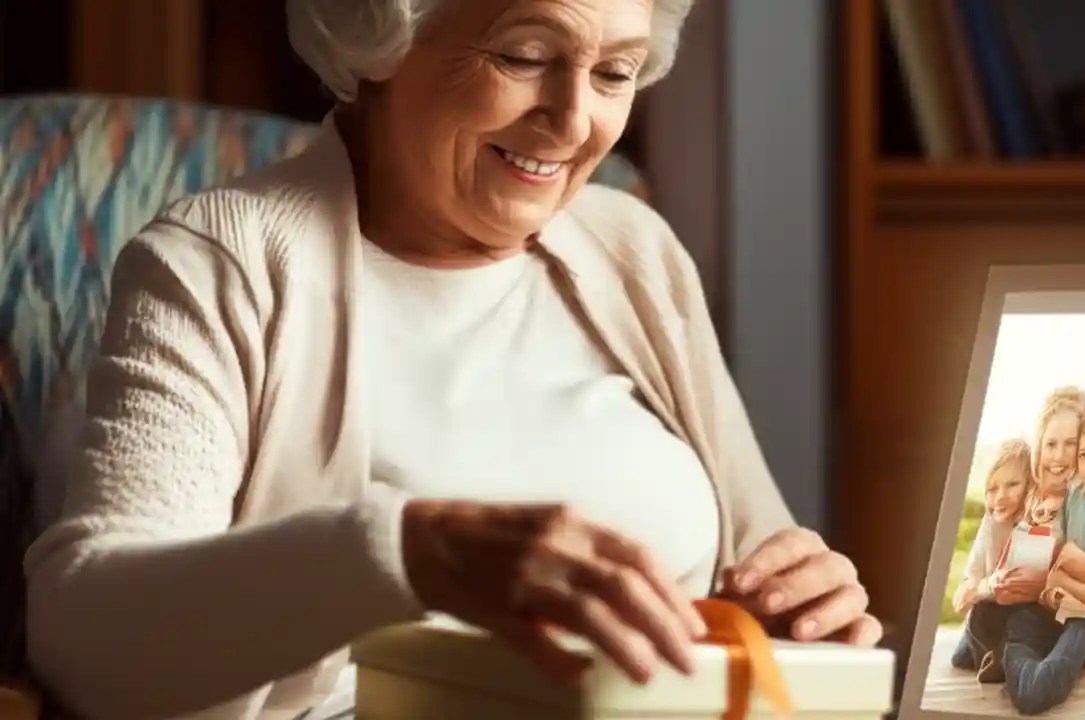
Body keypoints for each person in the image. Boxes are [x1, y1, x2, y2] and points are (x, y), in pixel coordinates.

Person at [21, 1, 881, 717]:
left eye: (616, 72)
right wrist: (408, 552)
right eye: (524, 55)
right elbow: (85, 634)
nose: (575, 121)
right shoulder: (220, 264)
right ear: (380, 37)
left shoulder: (634, 249)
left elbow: (763, 562)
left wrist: (806, 601)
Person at [1000, 393, 1085, 714]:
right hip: (1060, 611)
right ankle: (1023, 676)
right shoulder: (1074, 496)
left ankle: (1037, 685)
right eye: (1084, 454)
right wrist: (1055, 579)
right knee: (1019, 619)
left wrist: (1064, 578)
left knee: (1082, 623)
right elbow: (1049, 571)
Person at [966, 387, 1085, 683]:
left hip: (1049, 613)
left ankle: (1016, 663)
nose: (1059, 456)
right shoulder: (1028, 504)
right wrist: (992, 585)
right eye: (1051, 444)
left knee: (1022, 624)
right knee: (979, 620)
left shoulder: (1084, 503)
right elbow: (971, 588)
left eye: (1070, 444)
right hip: (1015, 602)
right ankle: (1000, 653)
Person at [950, 438, 1033, 671]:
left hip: (1018, 608)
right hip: (990, 603)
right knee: (961, 658)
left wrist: (979, 589)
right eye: (993, 489)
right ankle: (994, 656)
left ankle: (1006, 660)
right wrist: (968, 585)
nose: (1000, 496)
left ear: (1030, 486)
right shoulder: (990, 522)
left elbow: (1013, 580)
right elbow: (975, 567)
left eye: (1012, 485)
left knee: (999, 618)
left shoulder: (1029, 525)